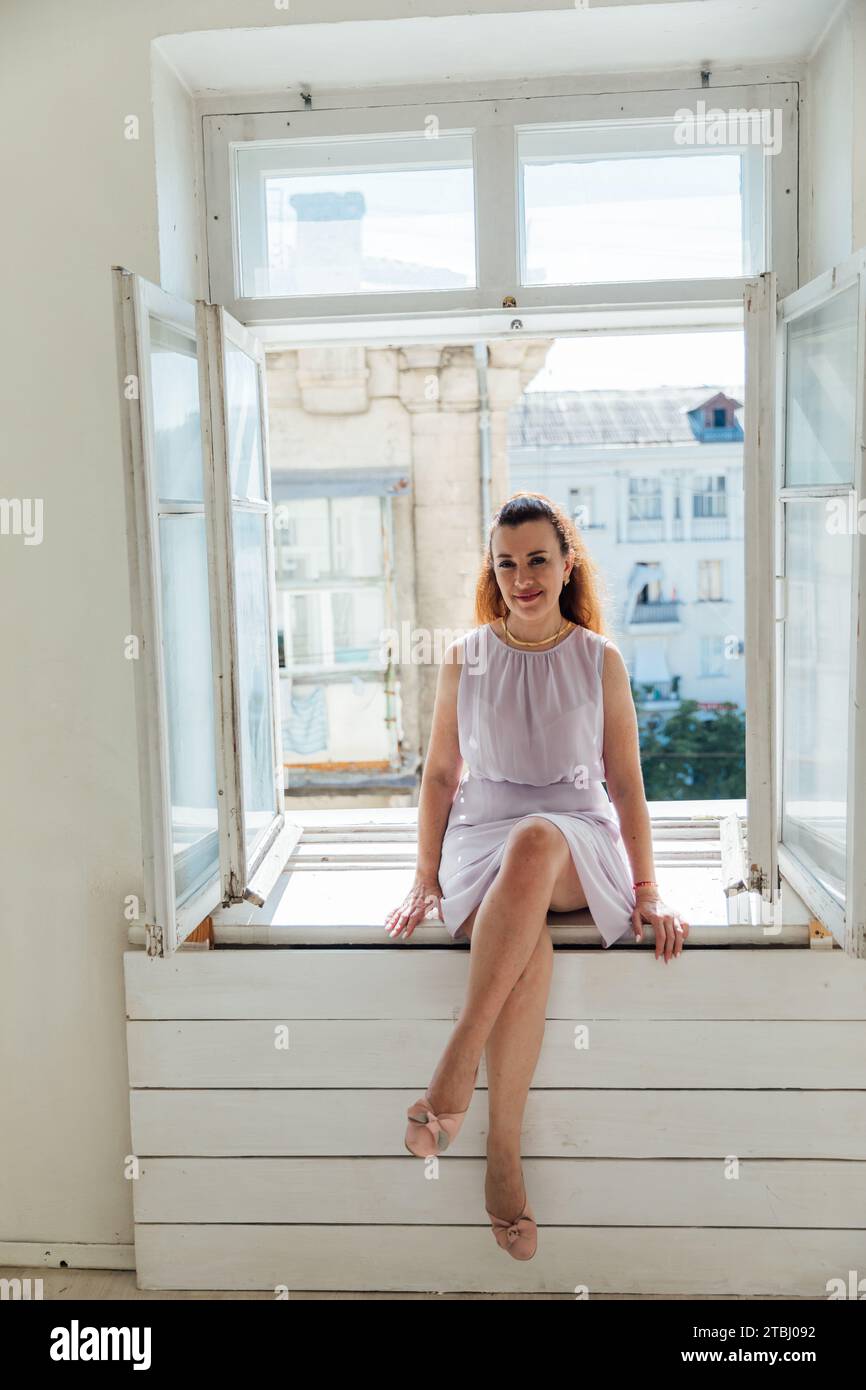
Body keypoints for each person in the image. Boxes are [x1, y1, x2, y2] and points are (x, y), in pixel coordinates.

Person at [384, 492, 690, 1260]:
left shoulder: (599, 658)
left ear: (567, 563)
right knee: (529, 946)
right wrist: (425, 875)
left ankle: (455, 1065)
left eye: (538, 561)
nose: (522, 578)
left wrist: (649, 890)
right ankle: (502, 1154)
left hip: (574, 842)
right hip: (481, 841)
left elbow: (626, 783)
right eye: (507, 563)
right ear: (493, 570)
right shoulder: (465, 656)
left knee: (536, 838)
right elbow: (441, 775)